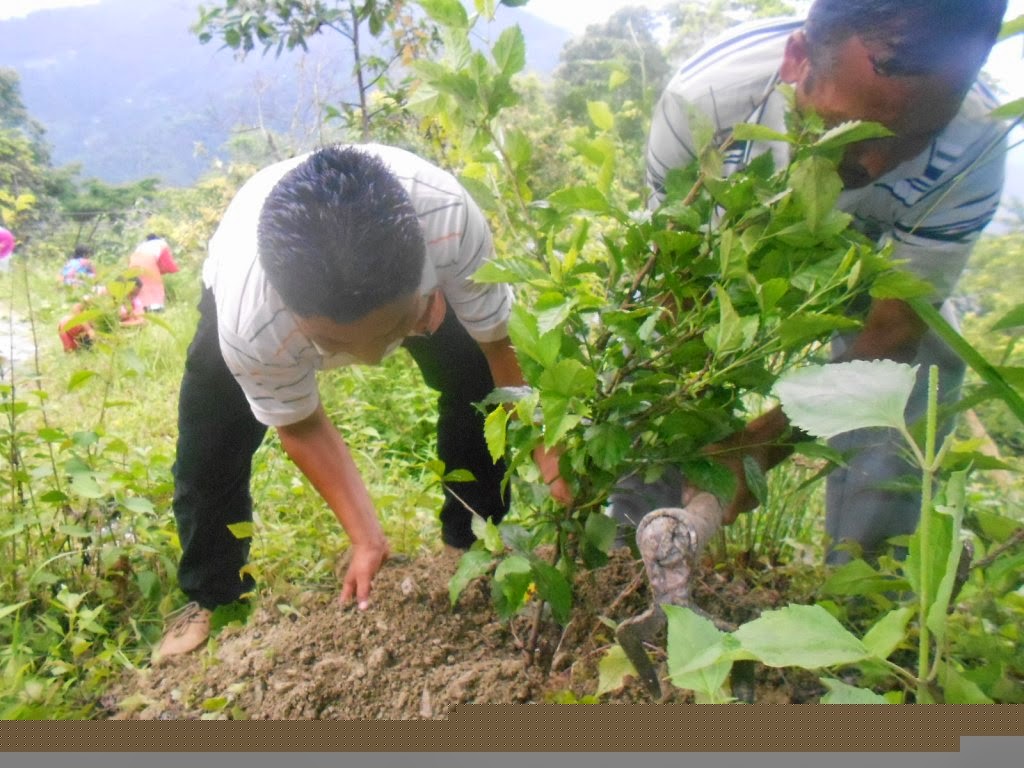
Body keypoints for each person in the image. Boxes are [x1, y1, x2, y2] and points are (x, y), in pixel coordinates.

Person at [617, 0, 1009, 563]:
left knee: (924, 362)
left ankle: (865, 590)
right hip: (727, 247)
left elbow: (891, 333)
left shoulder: (977, 143)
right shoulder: (706, 102)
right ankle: (630, 550)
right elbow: (673, 280)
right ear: (797, 59)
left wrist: (766, 442)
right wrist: (695, 410)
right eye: (853, 129)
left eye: (914, 137)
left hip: (865, 269)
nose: (875, 166)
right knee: (648, 339)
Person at [157, 144, 568, 659]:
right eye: (337, 347)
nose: (373, 361)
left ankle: (471, 540)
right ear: (294, 320)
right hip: (249, 268)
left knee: (473, 380)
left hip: (412, 269)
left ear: (426, 276)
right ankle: (210, 594)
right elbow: (301, 425)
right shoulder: (251, 320)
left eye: (396, 331)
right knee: (210, 445)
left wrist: (545, 450)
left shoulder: (447, 219)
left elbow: (498, 350)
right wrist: (365, 536)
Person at [128, 233, 179, 312]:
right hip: (148, 261)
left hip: (133, 264)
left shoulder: (141, 246)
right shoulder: (162, 244)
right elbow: (168, 266)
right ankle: (156, 307)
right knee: (154, 284)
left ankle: (140, 308)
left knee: (141, 286)